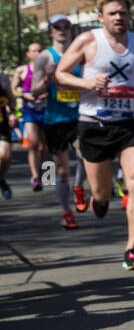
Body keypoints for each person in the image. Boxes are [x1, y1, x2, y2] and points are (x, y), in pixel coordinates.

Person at [53, 0, 134, 267]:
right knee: (100, 194)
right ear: (101, 17)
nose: (119, 17)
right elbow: (60, 74)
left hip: (129, 122)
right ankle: (100, 198)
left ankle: (132, 249)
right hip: (93, 124)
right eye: (113, 13)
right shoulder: (87, 41)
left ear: (129, 16)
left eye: (123, 13)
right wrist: (86, 84)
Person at [33, 15, 83, 227]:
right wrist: (46, 78)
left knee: (87, 157)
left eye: (66, 26)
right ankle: (66, 212)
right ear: (50, 31)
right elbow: (34, 91)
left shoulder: (82, 53)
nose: (62, 29)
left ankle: (79, 187)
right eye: (57, 26)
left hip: (81, 116)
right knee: (61, 171)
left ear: (71, 30)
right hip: (56, 119)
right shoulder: (44, 57)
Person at [17, 42, 48, 190]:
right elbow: (12, 90)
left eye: (40, 50)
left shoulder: (48, 70)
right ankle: (35, 176)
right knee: (34, 144)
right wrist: (26, 95)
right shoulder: (22, 70)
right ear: (28, 54)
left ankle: (44, 172)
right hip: (29, 112)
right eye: (34, 51)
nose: (37, 53)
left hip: (46, 110)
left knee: (44, 147)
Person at [0, 67, 14, 199]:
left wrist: (14, 113)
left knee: (5, 158)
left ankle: (1, 179)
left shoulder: (3, 79)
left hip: (2, 124)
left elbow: (11, 98)